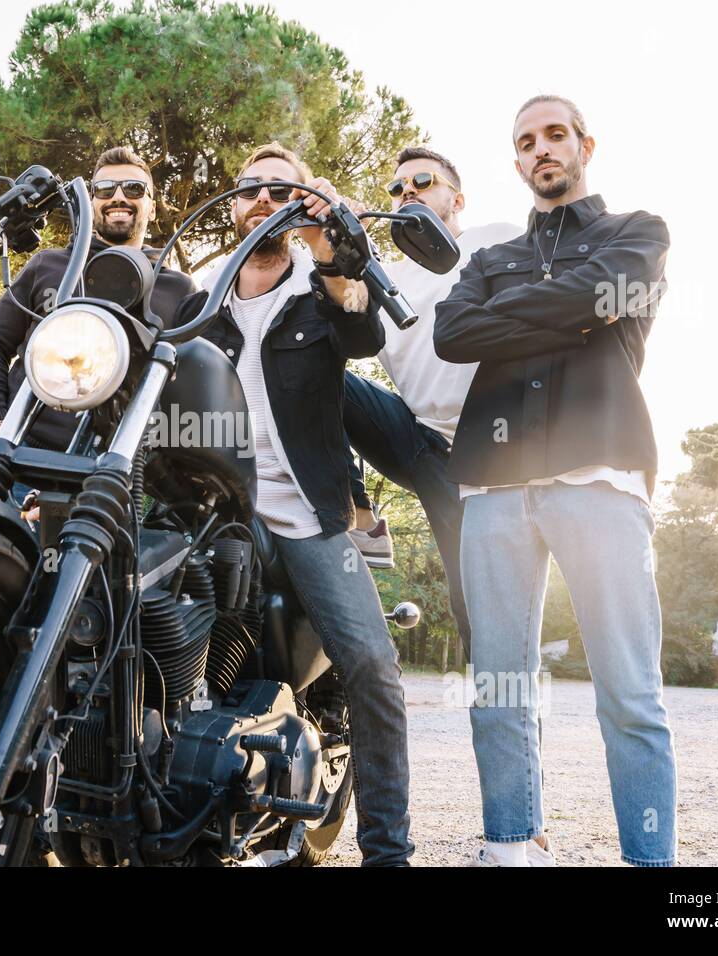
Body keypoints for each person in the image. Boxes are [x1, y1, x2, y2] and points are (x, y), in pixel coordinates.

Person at [433, 95, 676, 867]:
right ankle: (510, 847)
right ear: (516, 161)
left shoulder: (638, 233)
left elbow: (599, 292)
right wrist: (573, 314)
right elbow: (451, 333)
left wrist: (525, 312)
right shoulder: (486, 260)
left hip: (601, 478)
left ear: (584, 145)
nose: (542, 149)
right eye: (526, 141)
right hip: (493, 485)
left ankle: (650, 863)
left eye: (555, 135)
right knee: (498, 690)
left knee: (629, 694)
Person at [173, 142, 413, 866]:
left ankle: (388, 851)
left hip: (305, 513)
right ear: (233, 202)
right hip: (209, 511)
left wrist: (335, 247)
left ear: (302, 205)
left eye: (283, 191)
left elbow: (363, 326)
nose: (262, 201)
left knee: (373, 666)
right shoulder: (197, 302)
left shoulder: (318, 288)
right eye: (250, 189)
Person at [342, 146, 519, 671]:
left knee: (479, 606)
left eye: (422, 180)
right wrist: (329, 234)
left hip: (492, 450)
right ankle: (358, 513)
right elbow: (332, 318)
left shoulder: (498, 238)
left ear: (457, 198)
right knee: (317, 370)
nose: (406, 192)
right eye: (396, 188)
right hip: (418, 439)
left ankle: (506, 731)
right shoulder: (381, 276)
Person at [0, 146, 196, 468]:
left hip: (122, 473)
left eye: (134, 188)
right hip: (22, 458)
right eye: (104, 189)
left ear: (153, 208)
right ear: (91, 201)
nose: (118, 197)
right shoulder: (48, 264)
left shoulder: (179, 289)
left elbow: (190, 386)